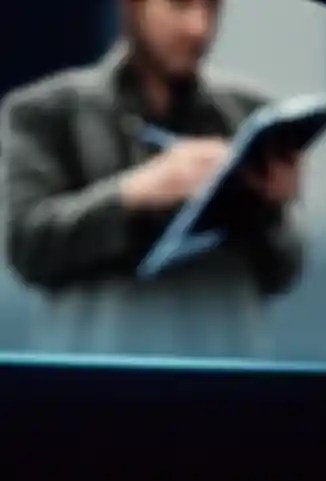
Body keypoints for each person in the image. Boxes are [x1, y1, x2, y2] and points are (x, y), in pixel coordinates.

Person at [0, 0, 304, 358]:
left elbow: (283, 270)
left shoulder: (248, 113)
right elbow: (28, 247)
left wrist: (272, 205)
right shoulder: (48, 112)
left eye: (211, 9)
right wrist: (137, 192)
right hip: (98, 381)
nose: (198, 27)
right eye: (179, 5)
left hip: (223, 378)